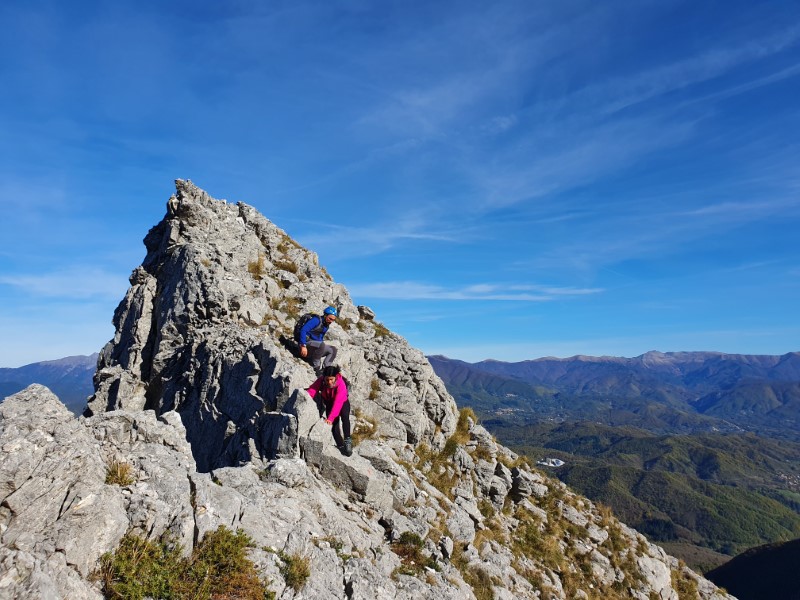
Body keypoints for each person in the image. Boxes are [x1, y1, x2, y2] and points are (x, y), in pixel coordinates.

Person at [306, 365, 352, 457]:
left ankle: (348, 441)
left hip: (343, 402)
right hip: (329, 403)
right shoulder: (321, 381)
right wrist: (305, 396)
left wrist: (331, 417)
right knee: (334, 426)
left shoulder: (341, 384)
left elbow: (338, 403)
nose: (329, 382)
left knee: (345, 418)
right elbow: (313, 390)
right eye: (327, 379)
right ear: (324, 377)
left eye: (331, 379)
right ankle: (340, 445)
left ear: (336, 377)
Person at [297, 306, 338, 375]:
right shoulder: (316, 320)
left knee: (333, 349)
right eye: (330, 318)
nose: (331, 321)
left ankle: (326, 370)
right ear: (325, 315)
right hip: (305, 345)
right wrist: (303, 346)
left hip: (314, 347)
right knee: (321, 345)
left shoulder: (326, 325)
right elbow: (303, 330)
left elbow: (320, 339)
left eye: (333, 320)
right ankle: (316, 367)